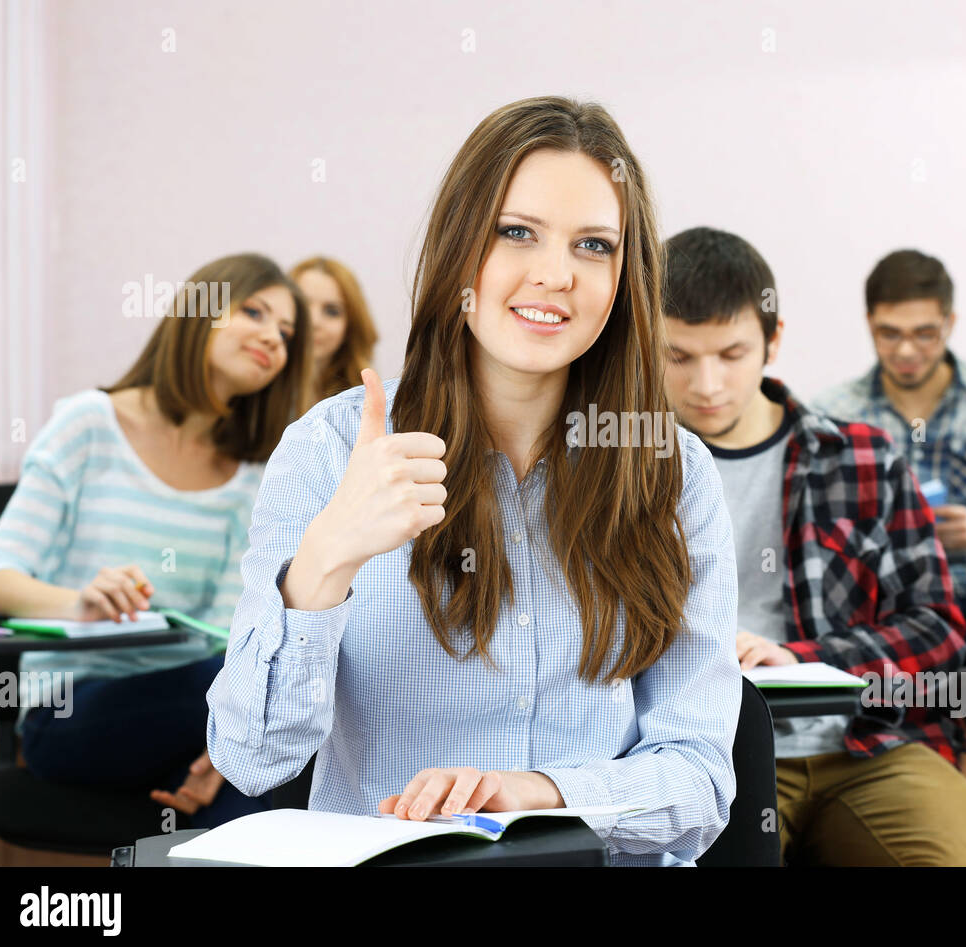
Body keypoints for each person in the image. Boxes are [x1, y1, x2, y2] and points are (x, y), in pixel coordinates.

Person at [206, 97, 740, 866]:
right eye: (516, 232)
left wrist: (539, 791)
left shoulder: (673, 470)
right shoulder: (329, 450)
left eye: (595, 246)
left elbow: (699, 785)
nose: (555, 275)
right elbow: (251, 759)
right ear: (460, 250)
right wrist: (326, 559)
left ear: (625, 279)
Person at [662, 226, 966, 865]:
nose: (707, 384)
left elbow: (939, 630)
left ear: (773, 340)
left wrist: (801, 657)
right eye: (678, 357)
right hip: (701, 758)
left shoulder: (863, 459)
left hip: (867, 747)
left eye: (732, 354)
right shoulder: (623, 476)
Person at [0, 252, 309, 827]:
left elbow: (233, 630)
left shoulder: (255, 475)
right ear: (200, 310)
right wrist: (79, 604)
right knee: (273, 695)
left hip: (191, 719)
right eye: (254, 311)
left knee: (259, 779)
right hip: (73, 709)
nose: (272, 338)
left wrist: (226, 751)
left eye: (286, 333)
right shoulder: (88, 424)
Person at [814, 250, 966, 664]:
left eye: (924, 333)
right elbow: (814, 537)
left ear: (950, 324)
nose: (906, 350)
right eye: (889, 333)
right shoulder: (834, 415)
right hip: (877, 608)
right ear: (869, 324)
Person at [291, 256, 379, 411]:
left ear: (350, 328)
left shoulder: (363, 404)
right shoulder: (252, 392)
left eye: (332, 311)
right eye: (302, 305)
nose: (314, 321)